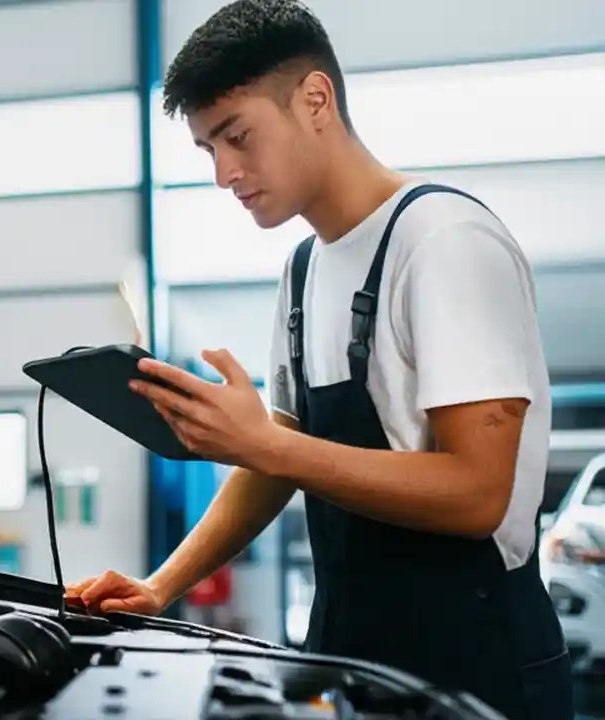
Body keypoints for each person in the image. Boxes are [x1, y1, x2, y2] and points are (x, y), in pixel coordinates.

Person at [63, 1, 574, 717]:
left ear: (315, 100)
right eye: (209, 149)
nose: (224, 173)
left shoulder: (445, 242)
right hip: (357, 665)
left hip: (481, 670)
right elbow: (276, 459)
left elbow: (477, 492)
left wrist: (268, 444)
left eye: (237, 137)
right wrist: (160, 585)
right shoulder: (304, 270)